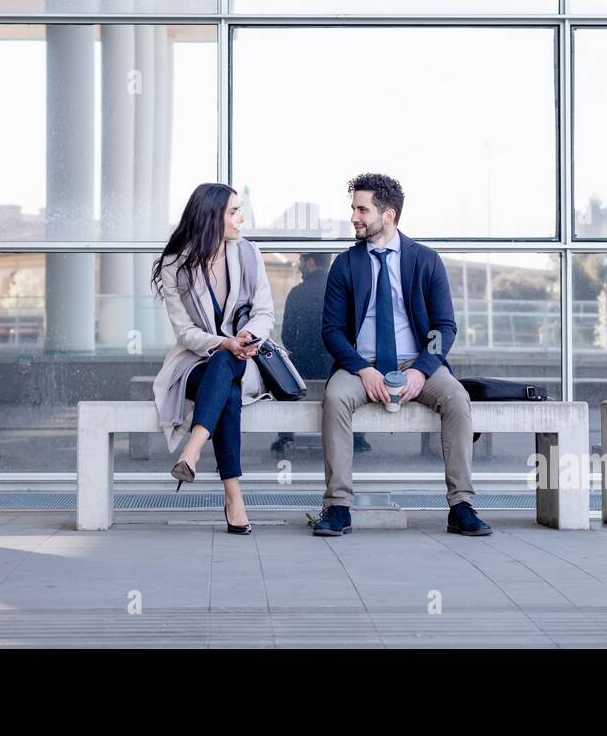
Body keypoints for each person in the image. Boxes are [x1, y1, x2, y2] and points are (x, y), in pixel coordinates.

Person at [312, 173, 493, 538]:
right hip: (360, 364)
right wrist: (363, 370)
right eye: (353, 208)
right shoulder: (345, 265)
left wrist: (422, 371)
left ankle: (461, 505)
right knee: (334, 398)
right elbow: (331, 331)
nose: (354, 217)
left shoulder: (425, 261)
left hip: (417, 362)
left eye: (362, 209)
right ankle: (337, 506)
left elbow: (445, 328)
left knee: (457, 397)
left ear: (389, 215)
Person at [151, 183, 276, 535]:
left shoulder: (249, 254)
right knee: (225, 378)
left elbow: (265, 313)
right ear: (211, 217)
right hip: (193, 363)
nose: (241, 218)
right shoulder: (176, 265)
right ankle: (233, 497)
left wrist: (247, 338)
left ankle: (192, 450)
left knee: (228, 375)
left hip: (246, 356)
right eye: (233, 211)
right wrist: (224, 343)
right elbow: (185, 332)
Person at [272, 253, 371, 454]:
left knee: (287, 385)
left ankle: (286, 438)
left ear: (309, 263)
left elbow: (288, 333)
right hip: (337, 363)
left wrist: (298, 353)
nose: (298, 265)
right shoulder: (342, 291)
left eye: (301, 260)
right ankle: (358, 438)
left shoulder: (298, 293)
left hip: (303, 363)